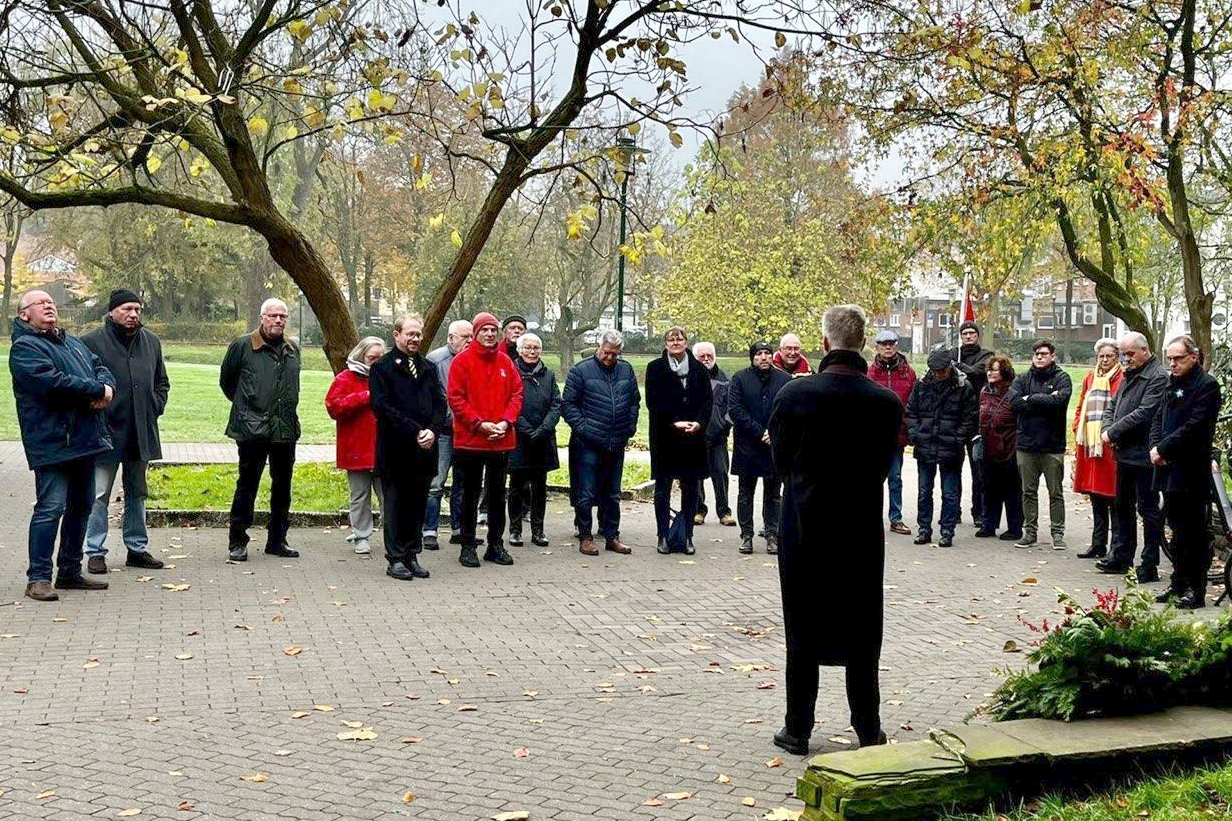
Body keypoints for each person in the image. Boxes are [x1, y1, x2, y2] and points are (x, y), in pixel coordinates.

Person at [770, 304, 901, 756]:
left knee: (801, 624)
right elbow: (885, 465)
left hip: (805, 524)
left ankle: (797, 728)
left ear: (824, 343)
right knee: (863, 627)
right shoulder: (885, 402)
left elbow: (781, 462)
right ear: (862, 344)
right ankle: (868, 727)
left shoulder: (794, 396)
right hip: (860, 528)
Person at [10, 290, 116, 601]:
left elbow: (101, 367)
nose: (49, 305)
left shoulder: (72, 342)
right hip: (53, 442)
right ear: (24, 315)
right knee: (50, 508)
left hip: (84, 439)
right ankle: (38, 578)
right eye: (40, 303)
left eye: (51, 302)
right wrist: (97, 389)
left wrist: (107, 386)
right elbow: (52, 382)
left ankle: (69, 571)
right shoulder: (25, 347)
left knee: (82, 506)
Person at [82, 289, 169, 574]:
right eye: (126, 309)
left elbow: (161, 383)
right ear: (111, 311)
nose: (133, 315)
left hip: (140, 430)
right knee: (98, 494)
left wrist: (154, 405)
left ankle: (137, 548)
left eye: (137, 309)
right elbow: (81, 385)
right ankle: (95, 551)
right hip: (104, 432)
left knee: (137, 492)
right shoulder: (91, 342)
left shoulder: (151, 342)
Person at [220, 297, 302, 562]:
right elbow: (227, 382)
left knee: (282, 487)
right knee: (247, 485)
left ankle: (277, 539)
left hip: (285, 428)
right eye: (273, 316)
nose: (278, 321)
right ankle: (238, 541)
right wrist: (247, 408)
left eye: (283, 317)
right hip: (251, 429)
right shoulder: (243, 346)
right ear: (262, 317)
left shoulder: (293, 348)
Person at [370, 314, 446, 581]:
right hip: (396, 450)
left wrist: (433, 431)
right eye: (410, 334)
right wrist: (415, 431)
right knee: (395, 505)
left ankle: (412, 553)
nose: (415, 339)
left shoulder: (427, 367)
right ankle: (396, 558)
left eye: (418, 335)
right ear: (397, 335)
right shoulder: (382, 368)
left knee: (417, 504)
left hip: (424, 450)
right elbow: (382, 406)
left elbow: (440, 404)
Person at [1150, 335, 1222, 609]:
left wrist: (1165, 448)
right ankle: (1177, 583)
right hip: (1168, 468)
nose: (1173, 364)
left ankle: (1196, 589)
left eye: (1178, 358)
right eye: (1169, 359)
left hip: (1190, 469)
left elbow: (1195, 426)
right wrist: (1155, 447)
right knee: (1175, 530)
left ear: (1194, 356)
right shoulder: (1171, 383)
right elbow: (1159, 417)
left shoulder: (1207, 386)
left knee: (1193, 532)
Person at [447, 311, 523, 568]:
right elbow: (456, 399)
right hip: (470, 441)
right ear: (476, 333)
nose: (490, 334)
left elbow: (516, 394)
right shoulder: (462, 362)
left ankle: (495, 544)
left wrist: (506, 422)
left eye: (493, 330)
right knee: (469, 494)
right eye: (484, 330)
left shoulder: (505, 362)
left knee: (497, 495)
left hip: (500, 439)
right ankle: (468, 546)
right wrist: (479, 424)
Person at [561, 329, 640, 556]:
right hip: (588, 442)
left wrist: (630, 427)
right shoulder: (580, 370)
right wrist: (584, 428)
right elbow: (568, 405)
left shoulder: (625, 369)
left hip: (616, 441)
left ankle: (611, 536)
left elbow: (634, 401)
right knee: (585, 492)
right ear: (599, 346)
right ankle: (585, 536)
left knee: (612, 493)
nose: (610, 358)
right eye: (607, 352)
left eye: (615, 354)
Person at [1098, 332, 1168, 581]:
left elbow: (1145, 412)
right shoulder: (1130, 374)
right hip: (1125, 452)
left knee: (1147, 509)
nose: (1125, 359)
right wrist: (1107, 428)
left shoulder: (1157, 377)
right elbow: (1112, 405)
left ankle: (1149, 564)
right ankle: (1121, 556)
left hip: (1144, 453)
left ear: (1145, 350)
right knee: (1121, 506)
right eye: (1123, 354)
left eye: (1130, 354)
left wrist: (1113, 431)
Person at [646, 327, 713, 554]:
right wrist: (674, 423)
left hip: (692, 439)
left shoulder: (699, 369)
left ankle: (687, 536)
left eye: (680, 338)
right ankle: (663, 535)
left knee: (691, 488)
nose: (675, 342)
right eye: (671, 339)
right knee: (663, 488)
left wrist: (699, 423)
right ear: (665, 343)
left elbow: (707, 402)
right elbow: (653, 402)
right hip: (665, 438)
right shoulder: (655, 368)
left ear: (686, 342)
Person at [905, 349, 978, 548]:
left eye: (942, 371)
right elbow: (911, 411)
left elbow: (970, 416)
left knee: (950, 493)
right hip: (926, 442)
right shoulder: (922, 384)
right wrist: (915, 434)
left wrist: (959, 437)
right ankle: (924, 529)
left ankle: (947, 531)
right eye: (935, 371)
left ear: (949, 367)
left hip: (951, 445)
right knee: (923, 491)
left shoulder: (963, 385)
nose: (938, 375)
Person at [325, 336, 387, 556]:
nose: (377, 362)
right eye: (372, 357)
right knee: (360, 495)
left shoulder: (388, 377)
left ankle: (393, 534)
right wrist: (365, 396)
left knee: (388, 495)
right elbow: (334, 407)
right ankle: (361, 535)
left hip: (384, 448)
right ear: (362, 355)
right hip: (357, 447)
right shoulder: (345, 378)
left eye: (381, 357)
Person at [1008, 340, 1073, 549]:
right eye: (1036, 353)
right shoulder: (1022, 378)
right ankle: (1030, 532)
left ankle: (1058, 533)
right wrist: (1043, 399)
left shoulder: (1062, 378)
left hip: (1053, 446)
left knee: (1055, 492)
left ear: (1053, 356)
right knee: (1028, 492)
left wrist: (1032, 399)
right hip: (1026, 445)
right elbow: (1015, 403)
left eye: (1044, 353)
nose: (1039, 357)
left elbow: (1059, 402)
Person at [728, 341, 791, 554]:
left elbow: (788, 409)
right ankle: (746, 535)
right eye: (759, 354)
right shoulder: (740, 379)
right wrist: (759, 431)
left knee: (773, 493)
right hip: (748, 445)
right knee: (745, 492)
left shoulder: (784, 379)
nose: (763, 357)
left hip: (774, 446)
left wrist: (773, 432)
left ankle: (772, 534)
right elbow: (735, 410)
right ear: (752, 358)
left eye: (767, 353)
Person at [1071, 339, 1123, 561]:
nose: (1104, 360)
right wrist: (1077, 426)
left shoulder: (1122, 378)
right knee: (1095, 497)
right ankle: (1097, 543)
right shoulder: (1090, 378)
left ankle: (1116, 547)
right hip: (1091, 447)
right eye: (1101, 356)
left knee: (1113, 498)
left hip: (1109, 447)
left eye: (1109, 356)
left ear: (1117, 357)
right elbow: (1082, 404)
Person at [508, 332, 561, 547]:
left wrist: (544, 429)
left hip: (543, 439)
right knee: (516, 488)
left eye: (536, 348)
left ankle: (538, 531)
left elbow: (557, 404)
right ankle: (515, 530)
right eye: (527, 348)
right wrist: (527, 430)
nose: (532, 352)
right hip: (518, 439)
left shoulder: (548, 375)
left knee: (540, 488)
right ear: (519, 350)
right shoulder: (511, 372)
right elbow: (507, 403)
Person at [423, 319, 472, 549]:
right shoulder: (435, 360)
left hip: (468, 432)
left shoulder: (475, 360)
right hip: (443, 432)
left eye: (472, 336)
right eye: (465, 337)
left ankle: (458, 529)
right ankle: (429, 531)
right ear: (451, 338)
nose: (469, 341)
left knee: (463, 483)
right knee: (436, 482)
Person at [867, 330, 916, 535]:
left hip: (897, 434)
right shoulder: (869, 373)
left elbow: (914, 403)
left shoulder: (909, 373)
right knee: (871, 479)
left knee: (895, 478)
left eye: (891, 344)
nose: (887, 347)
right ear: (876, 347)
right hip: (874, 435)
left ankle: (896, 518)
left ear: (897, 346)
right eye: (883, 344)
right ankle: (869, 517)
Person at [949, 321, 994, 528]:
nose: (968, 337)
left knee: (978, 469)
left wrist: (960, 368)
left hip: (977, 420)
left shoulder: (986, 355)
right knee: (953, 468)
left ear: (977, 335)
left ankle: (979, 512)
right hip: (956, 418)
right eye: (965, 333)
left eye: (972, 333)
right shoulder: (952, 353)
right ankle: (953, 510)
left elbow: (978, 372)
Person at [978, 356, 1023, 541]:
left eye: (995, 369)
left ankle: (1015, 527)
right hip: (988, 445)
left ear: (1004, 372)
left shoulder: (1013, 393)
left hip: (1009, 446)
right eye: (989, 369)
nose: (990, 373)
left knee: (1011, 490)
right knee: (988, 487)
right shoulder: (984, 391)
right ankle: (989, 524)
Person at [692, 341, 735, 527]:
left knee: (721, 474)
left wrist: (724, 426)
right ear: (695, 358)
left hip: (718, 437)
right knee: (696, 477)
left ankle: (724, 512)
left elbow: (732, 408)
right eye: (702, 356)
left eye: (710, 355)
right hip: (694, 437)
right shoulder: (688, 378)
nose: (706, 359)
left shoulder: (726, 379)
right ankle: (698, 510)